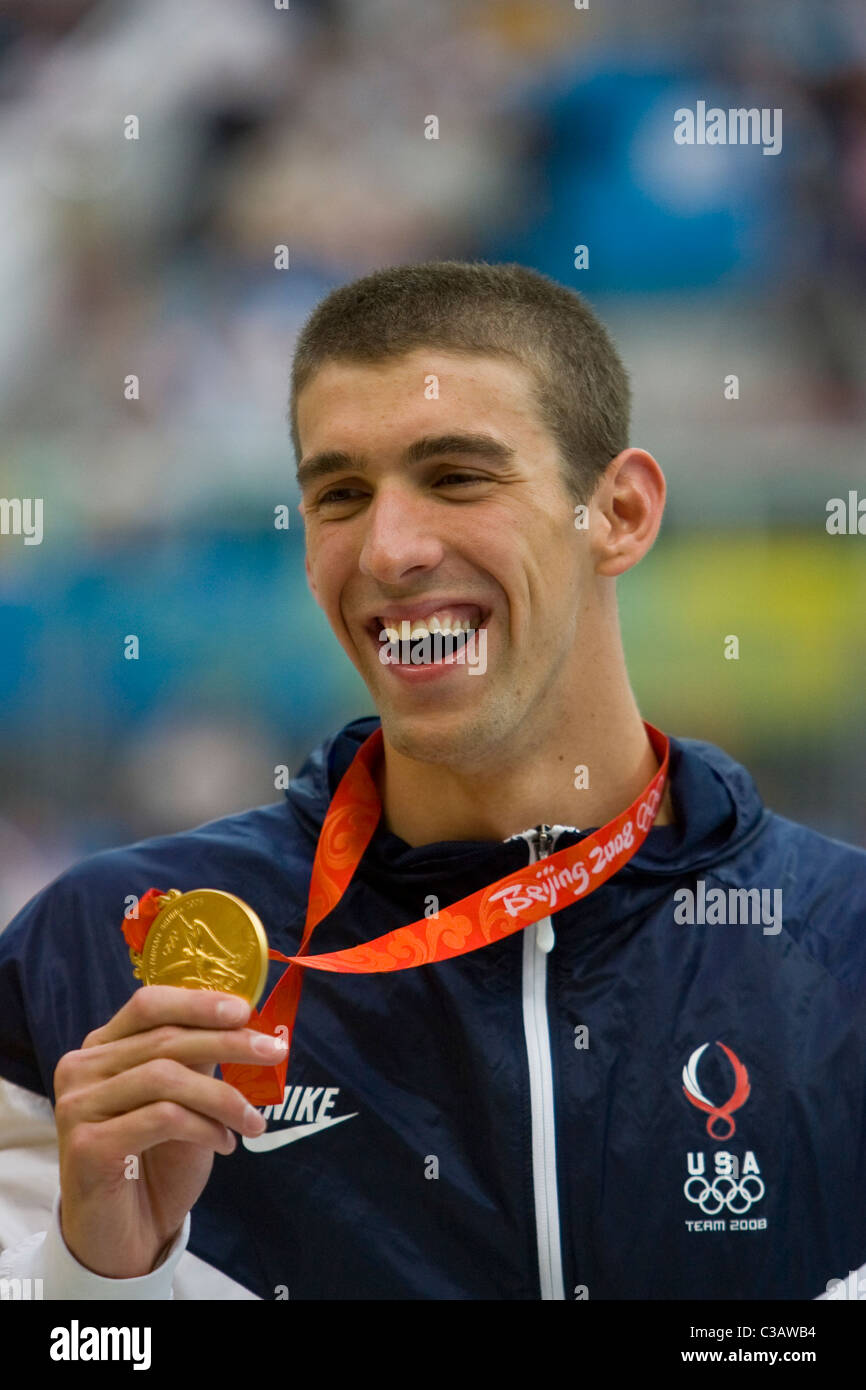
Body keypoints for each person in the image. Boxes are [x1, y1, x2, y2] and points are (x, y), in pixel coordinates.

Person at [1, 260, 864, 1301]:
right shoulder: (90, 960)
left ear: (620, 513)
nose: (391, 548)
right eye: (340, 494)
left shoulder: (840, 944)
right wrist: (101, 1277)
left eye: (457, 477)